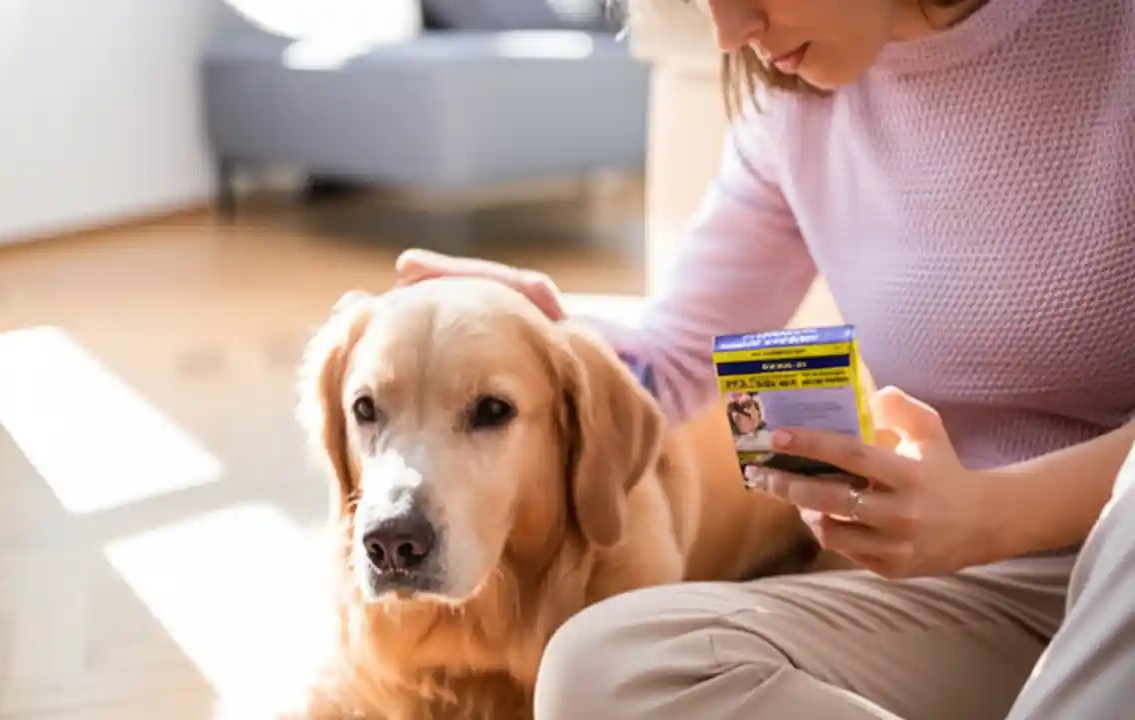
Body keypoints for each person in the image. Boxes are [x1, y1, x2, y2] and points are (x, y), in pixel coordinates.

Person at [394, 0, 1135, 717]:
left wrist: (995, 516)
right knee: (605, 667)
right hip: (981, 598)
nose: (726, 32)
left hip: (1114, 560)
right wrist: (536, 336)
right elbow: (673, 361)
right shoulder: (793, 109)